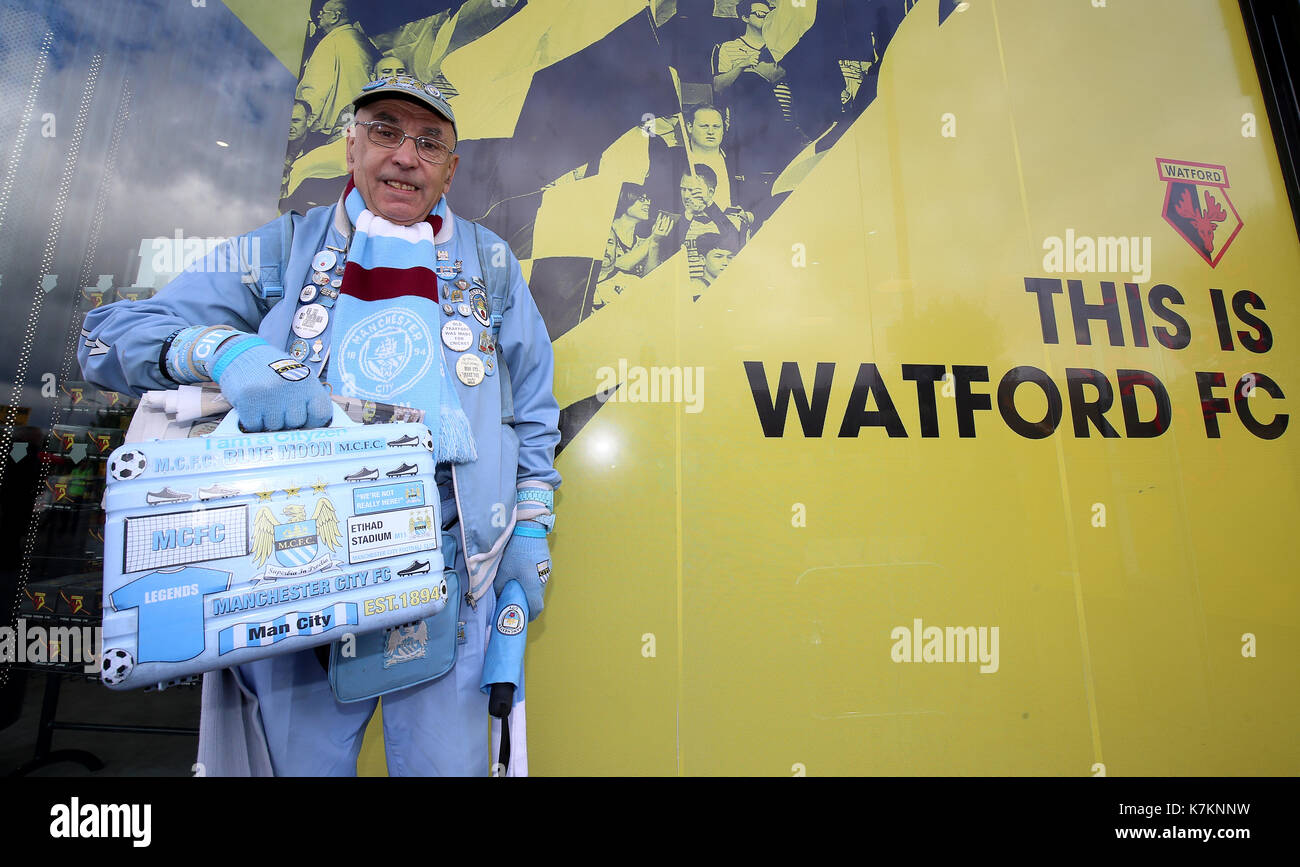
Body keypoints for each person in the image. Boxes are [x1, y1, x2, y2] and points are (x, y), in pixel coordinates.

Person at [77, 74, 561, 777]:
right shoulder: (284, 250)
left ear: (451, 168)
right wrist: (223, 349)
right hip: (300, 581)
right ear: (352, 144)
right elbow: (110, 334)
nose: (406, 155)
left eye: (429, 143)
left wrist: (531, 525)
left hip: (450, 583)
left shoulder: (489, 266)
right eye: (386, 131)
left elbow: (533, 411)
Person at [297, 0, 377, 141]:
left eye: (322, 13)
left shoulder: (330, 42)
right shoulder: (361, 40)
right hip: (357, 120)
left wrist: (304, 122)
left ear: (335, 16)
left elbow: (316, 89)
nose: (319, 16)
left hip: (329, 129)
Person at [689, 232, 737, 300]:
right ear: (702, 260)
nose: (726, 263)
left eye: (729, 257)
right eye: (718, 257)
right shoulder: (694, 290)